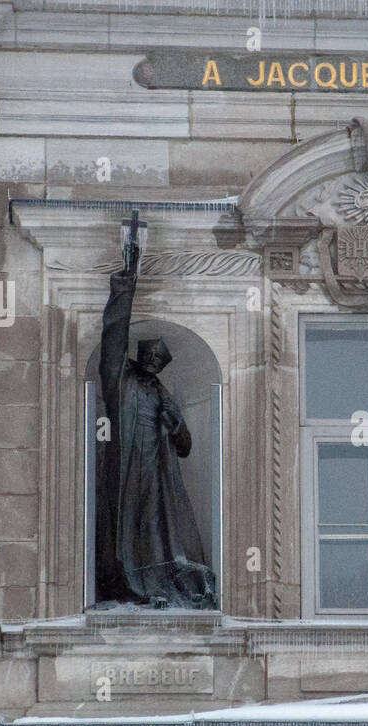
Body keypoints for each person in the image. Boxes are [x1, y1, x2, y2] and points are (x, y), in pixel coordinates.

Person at [96, 243, 218, 609]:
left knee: (158, 526)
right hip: (126, 465)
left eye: (158, 363)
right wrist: (125, 287)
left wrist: (176, 423)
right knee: (128, 523)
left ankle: (159, 580)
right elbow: (113, 339)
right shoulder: (121, 379)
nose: (153, 365)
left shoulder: (162, 393)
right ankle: (131, 581)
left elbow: (186, 445)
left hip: (158, 474)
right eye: (149, 360)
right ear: (139, 358)